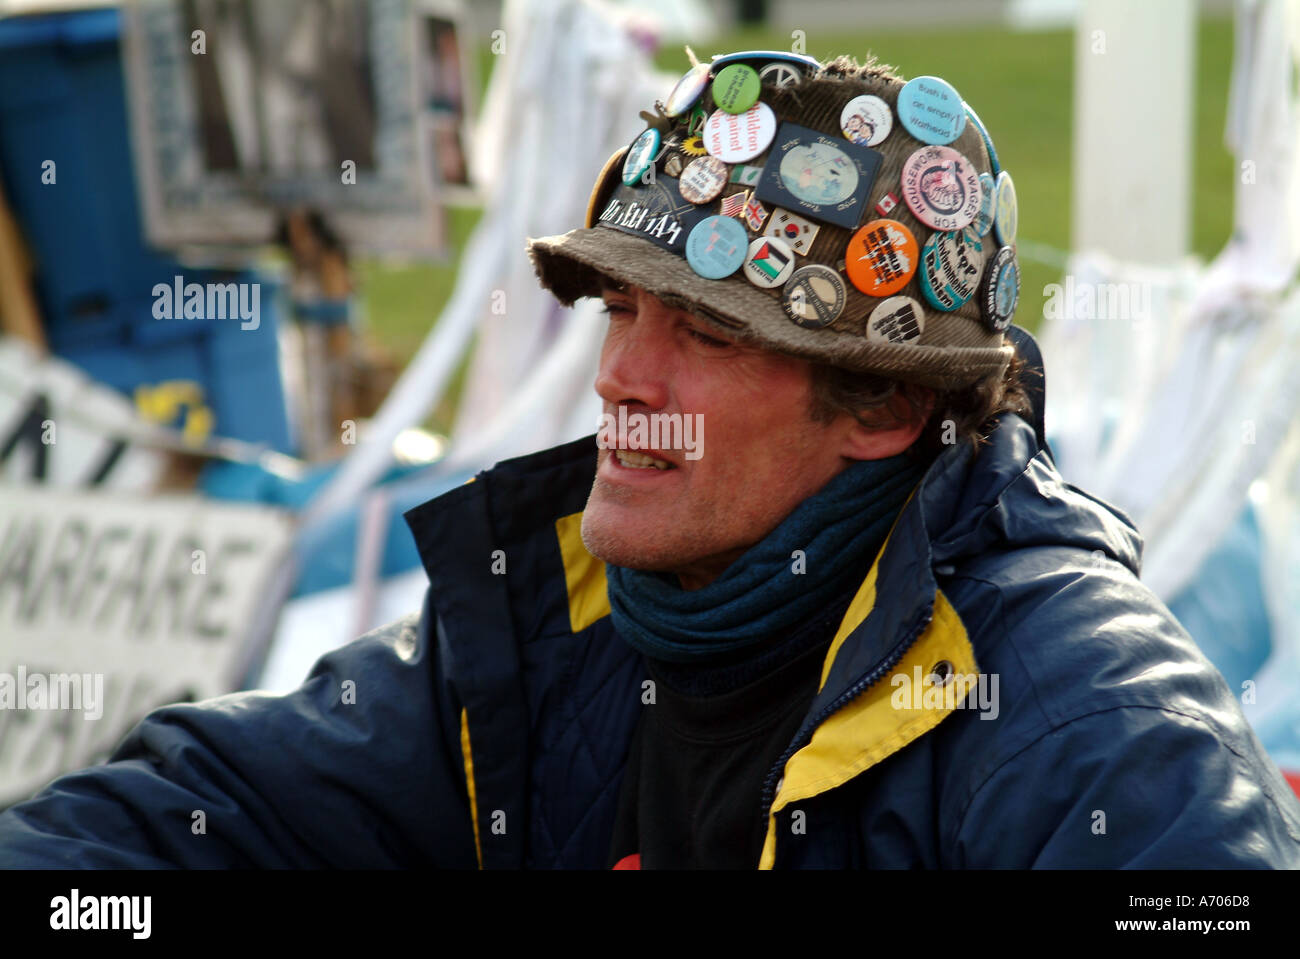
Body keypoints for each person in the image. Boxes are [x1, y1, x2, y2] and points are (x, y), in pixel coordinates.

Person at [2, 51, 1299, 869]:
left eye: (707, 333)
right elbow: (212, 812)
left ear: (887, 405)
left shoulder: (1096, 729)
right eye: (621, 310)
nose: (622, 374)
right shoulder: (556, 624)